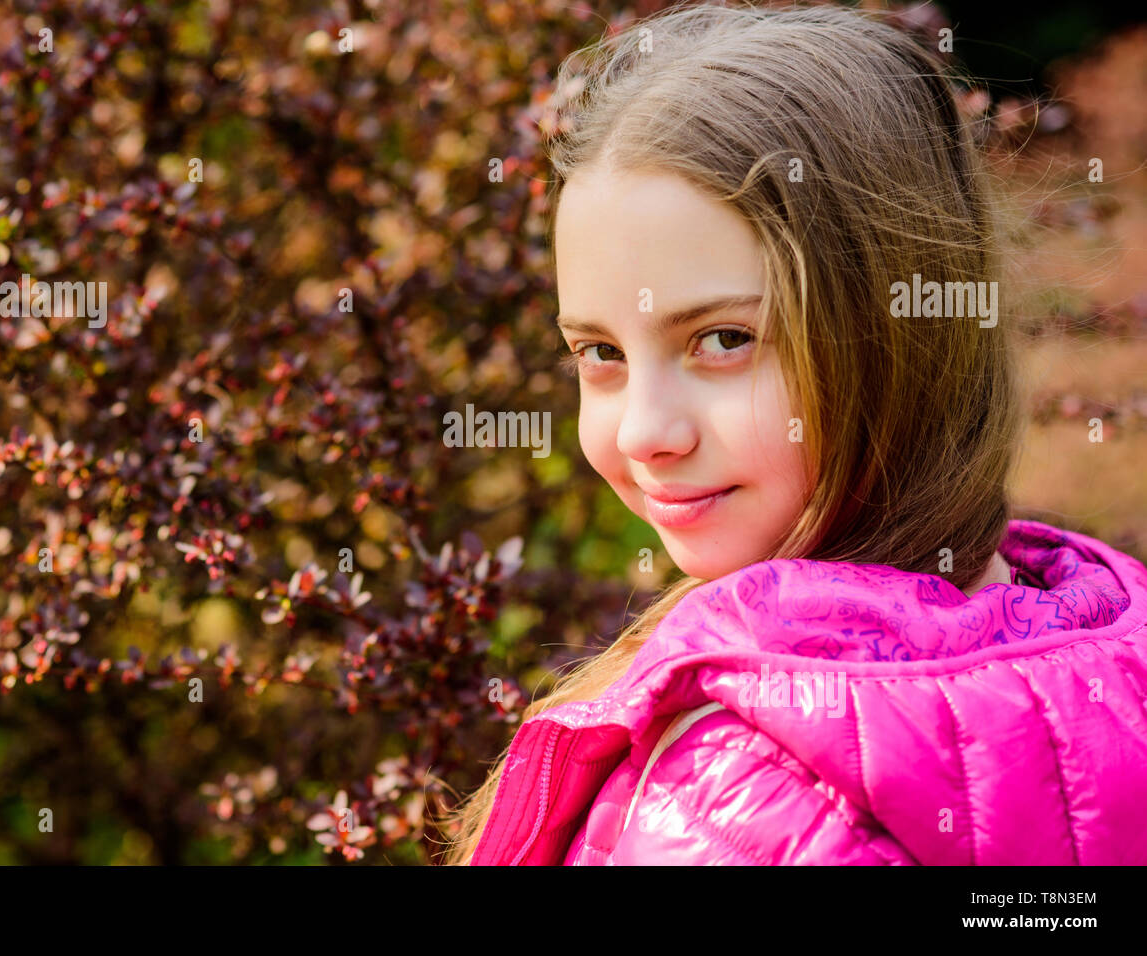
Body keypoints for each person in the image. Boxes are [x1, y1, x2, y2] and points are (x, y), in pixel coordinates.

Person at [440, 1, 1147, 865]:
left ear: (899, 336)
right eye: (600, 352)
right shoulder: (1110, 644)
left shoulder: (731, 794)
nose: (645, 433)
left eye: (725, 340)